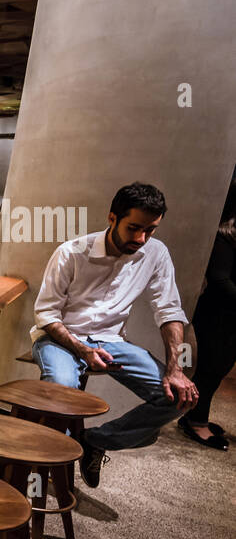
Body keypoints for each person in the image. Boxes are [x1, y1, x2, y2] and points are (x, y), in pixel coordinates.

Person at [31, 182, 198, 487]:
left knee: (177, 397)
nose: (141, 238)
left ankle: (94, 440)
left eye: (150, 230)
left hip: (111, 341)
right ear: (112, 218)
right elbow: (46, 314)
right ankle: (46, 466)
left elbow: (170, 311)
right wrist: (82, 350)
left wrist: (176, 369)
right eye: (134, 228)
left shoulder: (155, 253)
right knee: (61, 390)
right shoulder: (71, 253)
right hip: (61, 338)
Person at [178, 181, 236, 450]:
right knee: (209, 368)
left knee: (219, 369)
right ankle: (195, 422)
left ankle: (198, 416)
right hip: (218, 314)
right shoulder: (226, 235)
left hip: (230, 315)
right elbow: (219, 279)